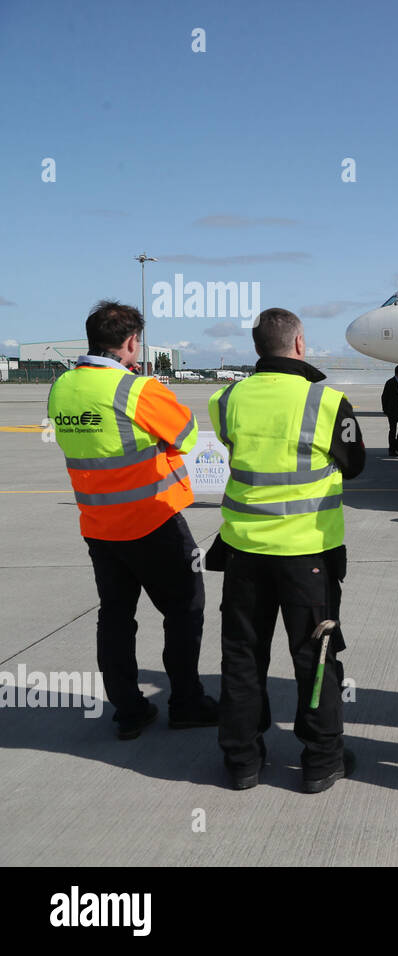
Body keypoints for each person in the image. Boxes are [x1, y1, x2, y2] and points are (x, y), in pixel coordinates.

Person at [208, 308, 366, 792]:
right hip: (307, 555)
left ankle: (242, 762)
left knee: (242, 656)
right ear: (299, 344)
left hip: (243, 552)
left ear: (258, 348)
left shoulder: (227, 398)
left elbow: (234, 444)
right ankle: (321, 760)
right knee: (315, 657)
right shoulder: (327, 401)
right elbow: (355, 464)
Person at [47, 300, 218, 739]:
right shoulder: (136, 390)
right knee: (185, 608)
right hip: (151, 521)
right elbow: (187, 433)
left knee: (116, 616)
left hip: (98, 526)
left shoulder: (62, 386)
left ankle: (128, 710)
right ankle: (185, 701)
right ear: (130, 342)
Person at [382, 364, 398, 456]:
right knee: (393, 430)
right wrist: (385, 410)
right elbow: (384, 397)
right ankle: (391, 450)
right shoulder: (390, 382)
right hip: (392, 411)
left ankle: (397, 446)